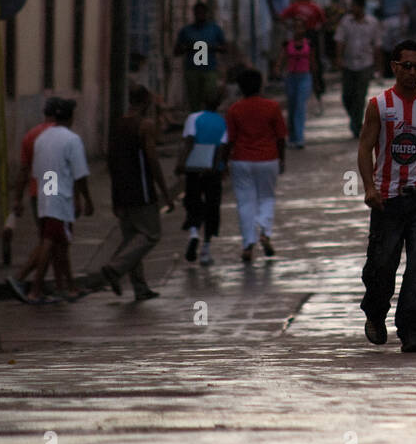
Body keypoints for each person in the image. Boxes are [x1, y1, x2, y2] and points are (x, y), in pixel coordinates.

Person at [358, 40, 416, 353]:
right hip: (387, 200)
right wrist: (370, 188)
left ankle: (412, 329)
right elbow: (365, 148)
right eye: (406, 66)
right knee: (382, 264)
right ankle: (375, 311)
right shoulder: (379, 106)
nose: (412, 72)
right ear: (394, 67)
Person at [99, 85, 173, 302]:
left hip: (121, 189)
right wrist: (164, 191)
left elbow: (110, 161)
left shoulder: (118, 123)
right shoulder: (145, 125)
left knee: (132, 238)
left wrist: (115, 196)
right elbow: (152, 160)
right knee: (150, 234)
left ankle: (140, 287)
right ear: (146, 102)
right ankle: (115, 267)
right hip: (140, 189)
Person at [26, 98, 93, 303]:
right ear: (70, 117)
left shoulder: (42, 138)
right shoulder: (72, 140)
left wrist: (50, 196)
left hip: (47, 194)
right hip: (60, 197)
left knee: (61, 243)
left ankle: (70, 287)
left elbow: (38, 171)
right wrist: (86, 199)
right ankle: (35, 290)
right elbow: (79, 174)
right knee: (49, 241)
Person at [220, 68, 287, 263]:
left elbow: (229, 140)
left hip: (241, 160)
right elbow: (281, 137)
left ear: (240, 88)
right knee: (266, 197)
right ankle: (265, 232)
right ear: (260, 85)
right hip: (268, 158)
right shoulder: (272, 107)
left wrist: (223, 163)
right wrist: (281, 158)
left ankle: (248, 244)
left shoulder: (234, 109)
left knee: (245, 202)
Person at [7, 98, 58, 300]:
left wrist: (18, 199)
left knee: (49, 240)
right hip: (52, 190)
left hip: (36, 192)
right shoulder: (59, 135)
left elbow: (24, 170)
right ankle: (22, 279)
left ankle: (44, 285)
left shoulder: (31, 135)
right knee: (50, 240)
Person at [176, 89, 228, 266]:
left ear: (203, 102)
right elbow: (222, 149)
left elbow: (188, 141)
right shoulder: (222, 122)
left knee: (193, 201)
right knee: (213, 205)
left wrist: (180, 163)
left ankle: (193, 234)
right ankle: (206, 249)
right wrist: (217, 168)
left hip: (194, 166)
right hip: (213, 169)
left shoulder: (193, 118)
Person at [334, 0, 382, 137]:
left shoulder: (372, 23)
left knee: (360, 96)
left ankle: (356, 126)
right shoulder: (346, 22)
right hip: (348, 64)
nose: (352, 9)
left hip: (365, 64)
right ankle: (355, 119)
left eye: (354, 6)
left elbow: (377, 45)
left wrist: (379, 67)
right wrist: (339, 58)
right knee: (347, 96)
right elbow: (339, 41)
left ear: (361, 7)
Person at [173, 2, 228, 113]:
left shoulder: (214, 29)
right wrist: (189, 48)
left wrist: (210, 47)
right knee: (193, 99)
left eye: (202, 13)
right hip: (192, 69)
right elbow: (176, 51)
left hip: (209, 69)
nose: (200, 15)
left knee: (210, 97)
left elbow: (225, 48)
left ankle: (208, 118)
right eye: (197, 13)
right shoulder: (186, 31)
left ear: (206, 14)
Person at [282, 0, 327, 103]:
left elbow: (282, 17)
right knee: (314, 59)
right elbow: (323, 22)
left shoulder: (294, 7)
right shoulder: (314, 7)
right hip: (312, 34)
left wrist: (290, 27)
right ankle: (318, 86)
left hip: (297, 34)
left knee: (294, 55)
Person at [280, 23, 313, 148]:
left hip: (305, 77)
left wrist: (316, 81)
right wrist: (278, 69)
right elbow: (281, 59)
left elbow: (313, 62)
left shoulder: (309, 44)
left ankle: (299, 138)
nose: (298, 29)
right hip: (291, 78)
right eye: (296, 27)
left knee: (300, 106)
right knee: (292, 107)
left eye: (301, 26)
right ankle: (292, 136)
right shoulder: (287, 44)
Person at [266, 0, 291, 81]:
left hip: (282, 18)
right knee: (276, 46)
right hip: (279, 18)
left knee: (281, 45)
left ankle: (278, 71)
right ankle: (273, 73)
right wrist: (275, 15)